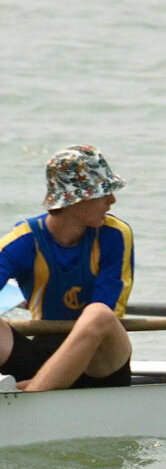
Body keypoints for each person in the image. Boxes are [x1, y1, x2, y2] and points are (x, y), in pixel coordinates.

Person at [0, 144, 133, 392]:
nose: (112, 200)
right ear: (73, 200)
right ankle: (44, 388)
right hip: (43, 358)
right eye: (103, 193)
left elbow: (108, 310)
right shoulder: (20, 242)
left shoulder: (115, 235)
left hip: (101, 363)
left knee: (99, 314)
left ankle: (34, 395)